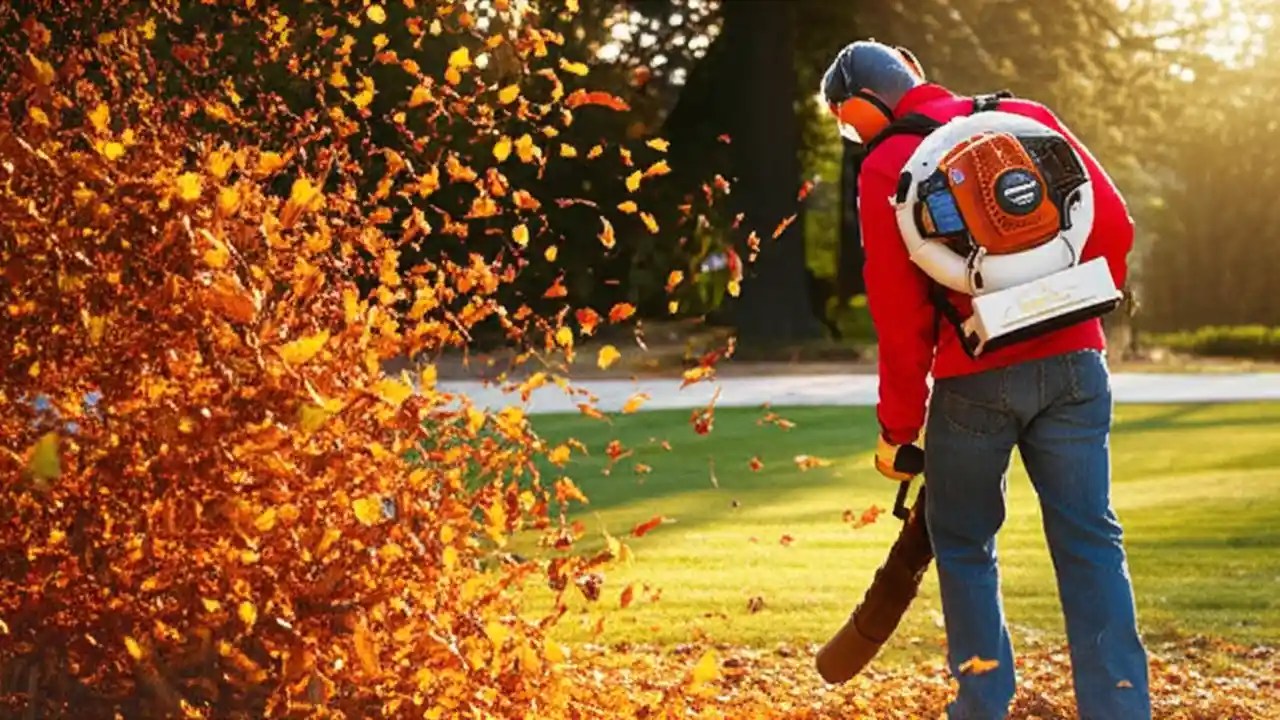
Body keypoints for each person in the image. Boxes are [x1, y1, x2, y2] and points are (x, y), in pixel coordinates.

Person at [820, 40, 1152, 720]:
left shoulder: (888, 162)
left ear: (862, 105)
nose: (852, 134)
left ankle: (981, 705)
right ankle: (1120, 708)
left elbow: (898, 309)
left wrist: (897, 429)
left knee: (966, 544)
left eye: (846, 121)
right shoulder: (1024, 116)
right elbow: (1114, 225)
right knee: (1091, 539)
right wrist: (1067, 313)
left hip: (976, 380)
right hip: (1076, 367)